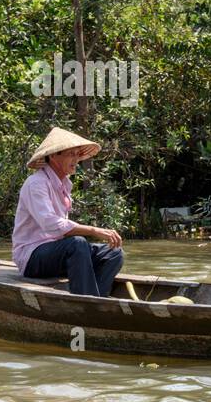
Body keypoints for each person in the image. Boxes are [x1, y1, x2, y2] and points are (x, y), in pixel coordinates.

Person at [11, 127, 125, 297]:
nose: (76, 159)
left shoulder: (64, 184)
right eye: (71, 154)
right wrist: (94, 230)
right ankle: (87, 302)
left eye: (77, 154)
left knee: (114, 252)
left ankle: (96, 301)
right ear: (54, 156)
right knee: (77, 244)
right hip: (32, 258)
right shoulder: (36, 184)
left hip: (56, 254)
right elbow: (50, 223)